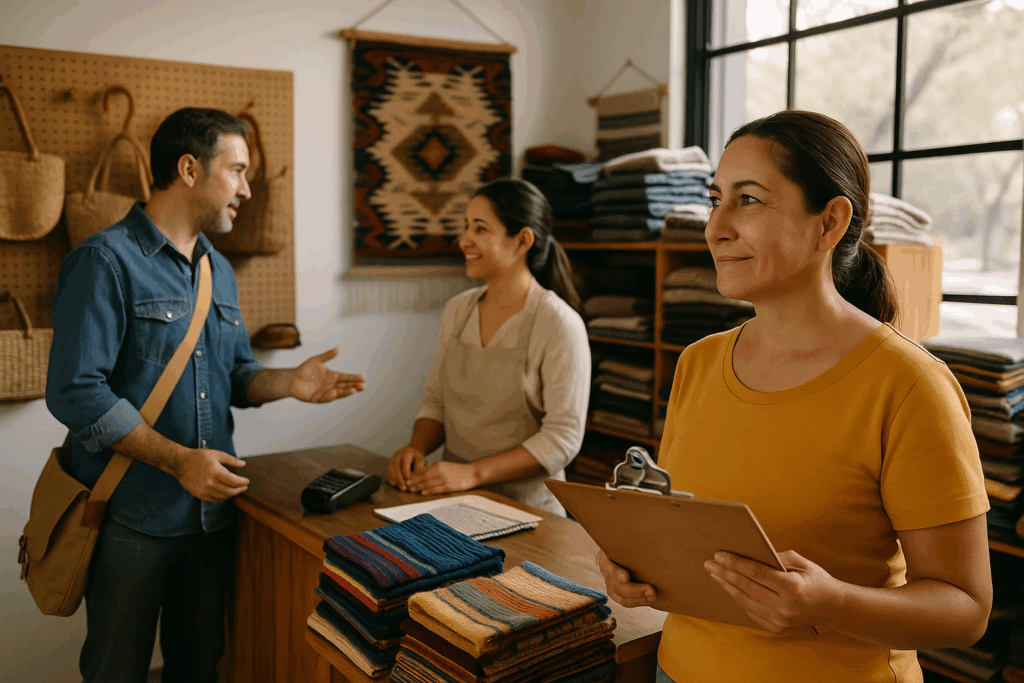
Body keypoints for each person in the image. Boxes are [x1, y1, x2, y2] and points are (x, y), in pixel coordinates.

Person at [596, 111, 992, 682]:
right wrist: (634, 561)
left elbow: (966, 611)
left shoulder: (909, 385)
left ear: (829, 223)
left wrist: (830, 604)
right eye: (715, 200)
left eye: (748, 200)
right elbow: (689, 527)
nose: (715, 227)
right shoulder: (697, 363)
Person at [45, 108, 366, 683]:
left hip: (210, 520)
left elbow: (237, 375)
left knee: (199, 669)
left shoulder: (218, 268)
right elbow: (75, 392)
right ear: (189, 169)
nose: (246, 190)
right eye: (237, 171)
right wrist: (178, 461)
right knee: (115, 673)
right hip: (128, 520)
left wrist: (288, 383)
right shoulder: (103, 261)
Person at [384, 179, 590, 515]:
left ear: (522, 240)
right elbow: (436, 402)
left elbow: (563, 438)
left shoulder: (558, 323)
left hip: (530, 512)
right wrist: (415, 449)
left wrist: (473, 474)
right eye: (466, 226)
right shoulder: (457, 310)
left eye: (480, 228)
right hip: (454, 502)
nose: (464, 240)